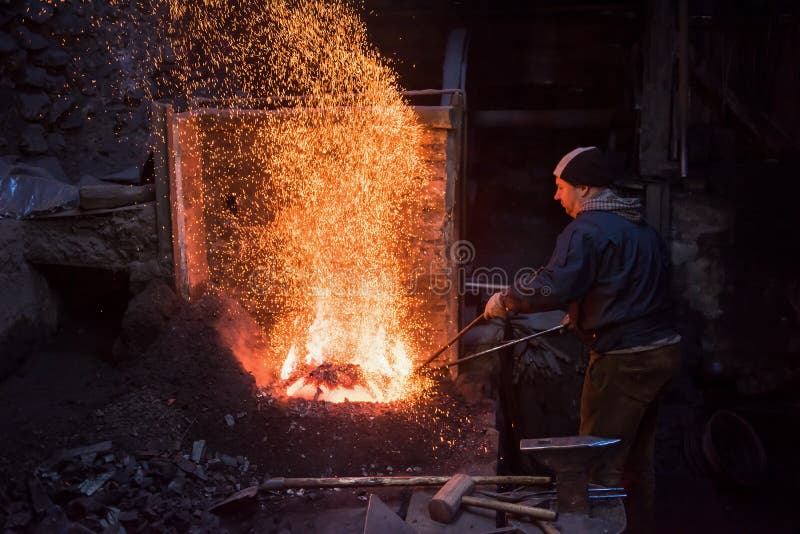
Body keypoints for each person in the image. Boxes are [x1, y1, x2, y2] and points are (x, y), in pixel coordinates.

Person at [483, 146, 681, 533]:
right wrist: (582, 315)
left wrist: (507, 300)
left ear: (585, 188)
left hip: (626, 360)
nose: (557, 196)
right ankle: (641, 524)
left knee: (597, 462)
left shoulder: (586, 230)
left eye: (561, 187)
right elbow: (627, 287)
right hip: (662, 352)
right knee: (636, 455)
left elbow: (554, 285)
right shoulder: (638, 226)